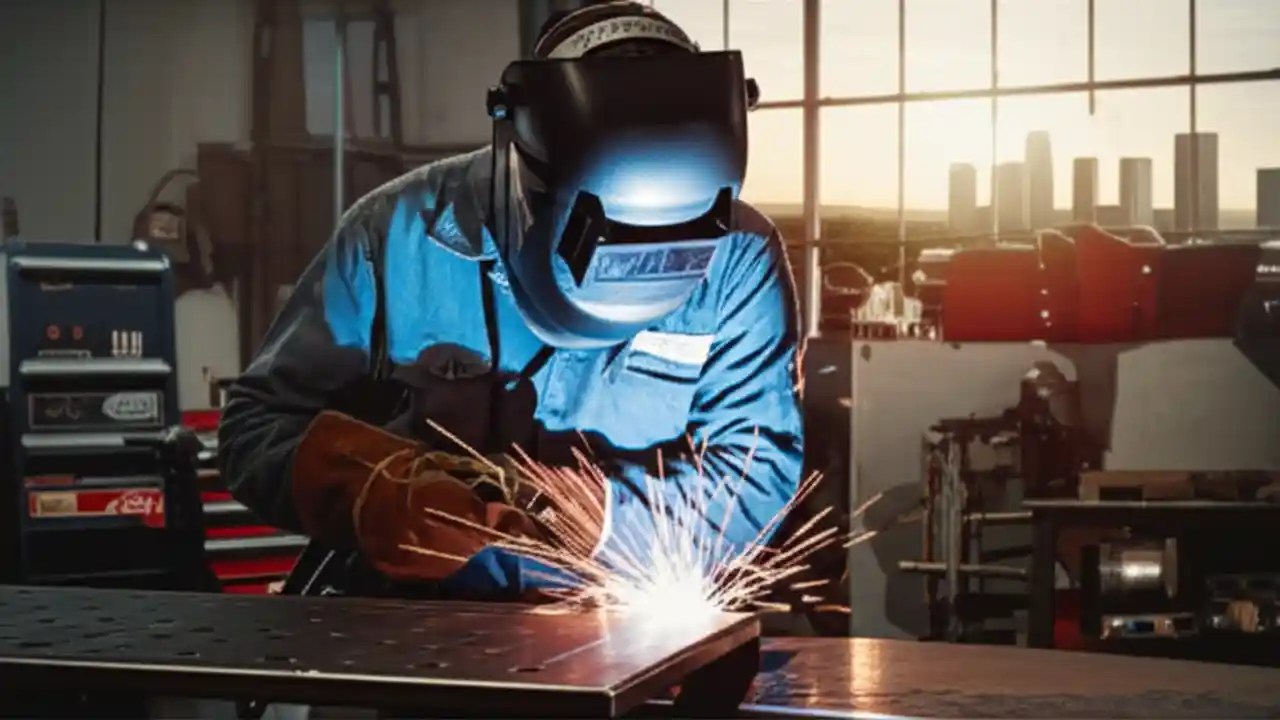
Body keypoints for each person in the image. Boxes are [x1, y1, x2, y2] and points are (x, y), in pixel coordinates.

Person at [218, 0, 803, 600]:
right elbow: (254, 428)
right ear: (526, 156)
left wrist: (604, 522)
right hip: (416, 633)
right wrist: (368, 492)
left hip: (623, 628)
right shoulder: (395, 234)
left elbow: (756, 469)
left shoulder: (740, 259)